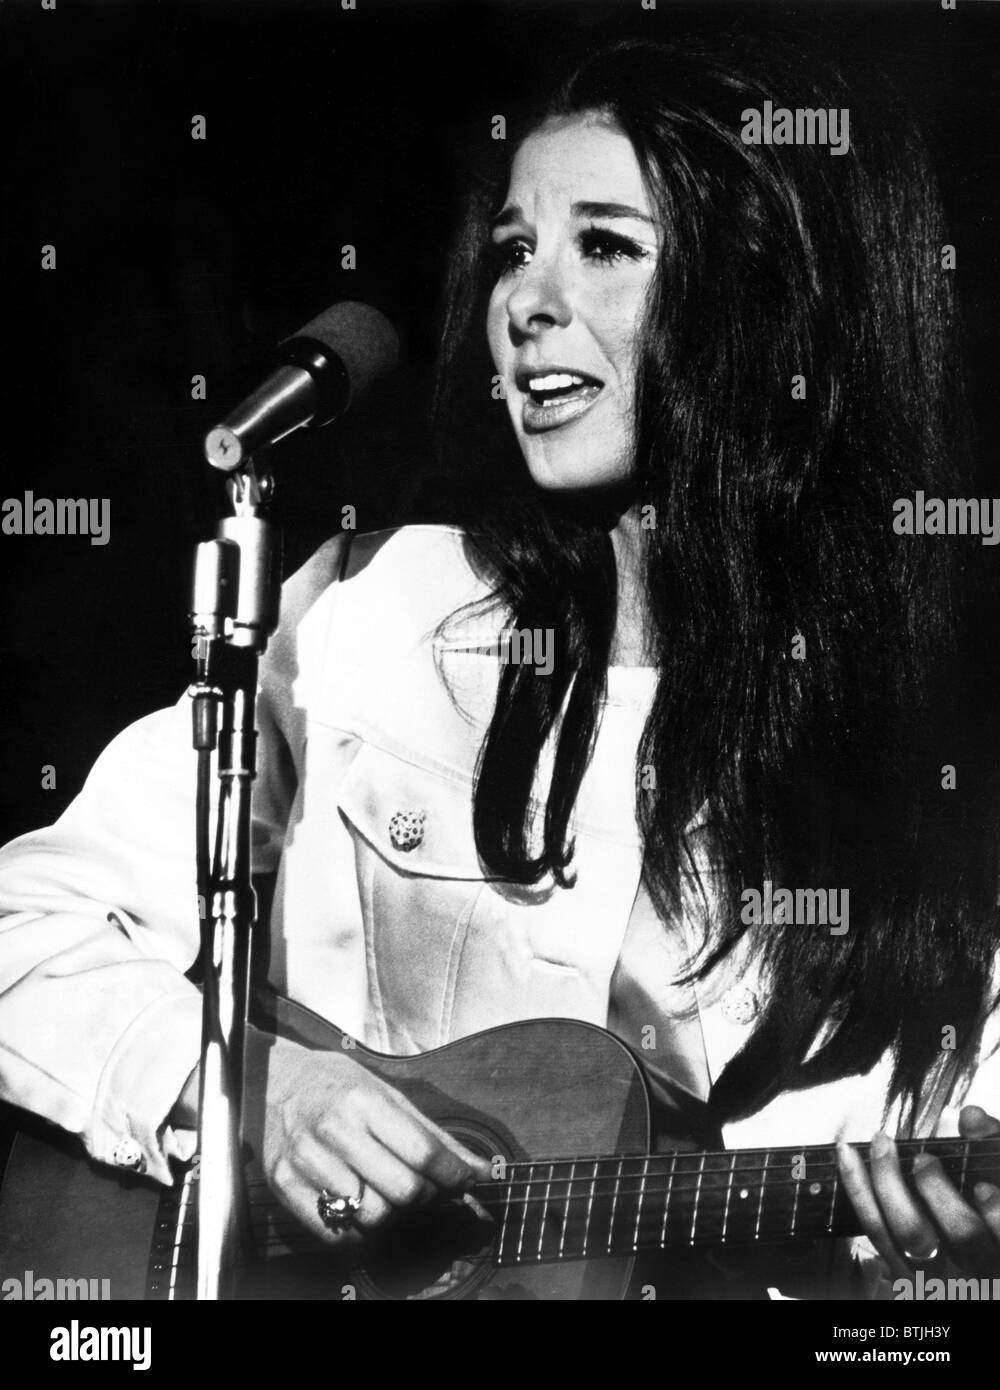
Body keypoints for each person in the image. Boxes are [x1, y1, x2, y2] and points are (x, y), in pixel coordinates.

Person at [0, 36, 998, 1301]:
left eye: (605, 245)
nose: (524, 302)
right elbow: (24, 920)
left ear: (768, 304)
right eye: (517, 248)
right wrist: (244, 1092)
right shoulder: (373, 612)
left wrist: (942, 1289)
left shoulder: (927, 756)